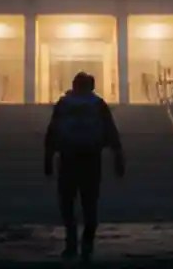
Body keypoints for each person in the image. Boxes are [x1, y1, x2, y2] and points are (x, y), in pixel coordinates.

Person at [44, 72, 124, 262]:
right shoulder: (98, 105)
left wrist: (48, 159)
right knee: (90, 204)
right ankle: (87, 245)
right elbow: (111, 132)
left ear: (74, 85)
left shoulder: (63, 105)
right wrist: (118, 157)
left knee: (67, 203)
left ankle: (71, 243)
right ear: (92, 86)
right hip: (90, 159)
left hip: (68, 159)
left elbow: (52, 132)